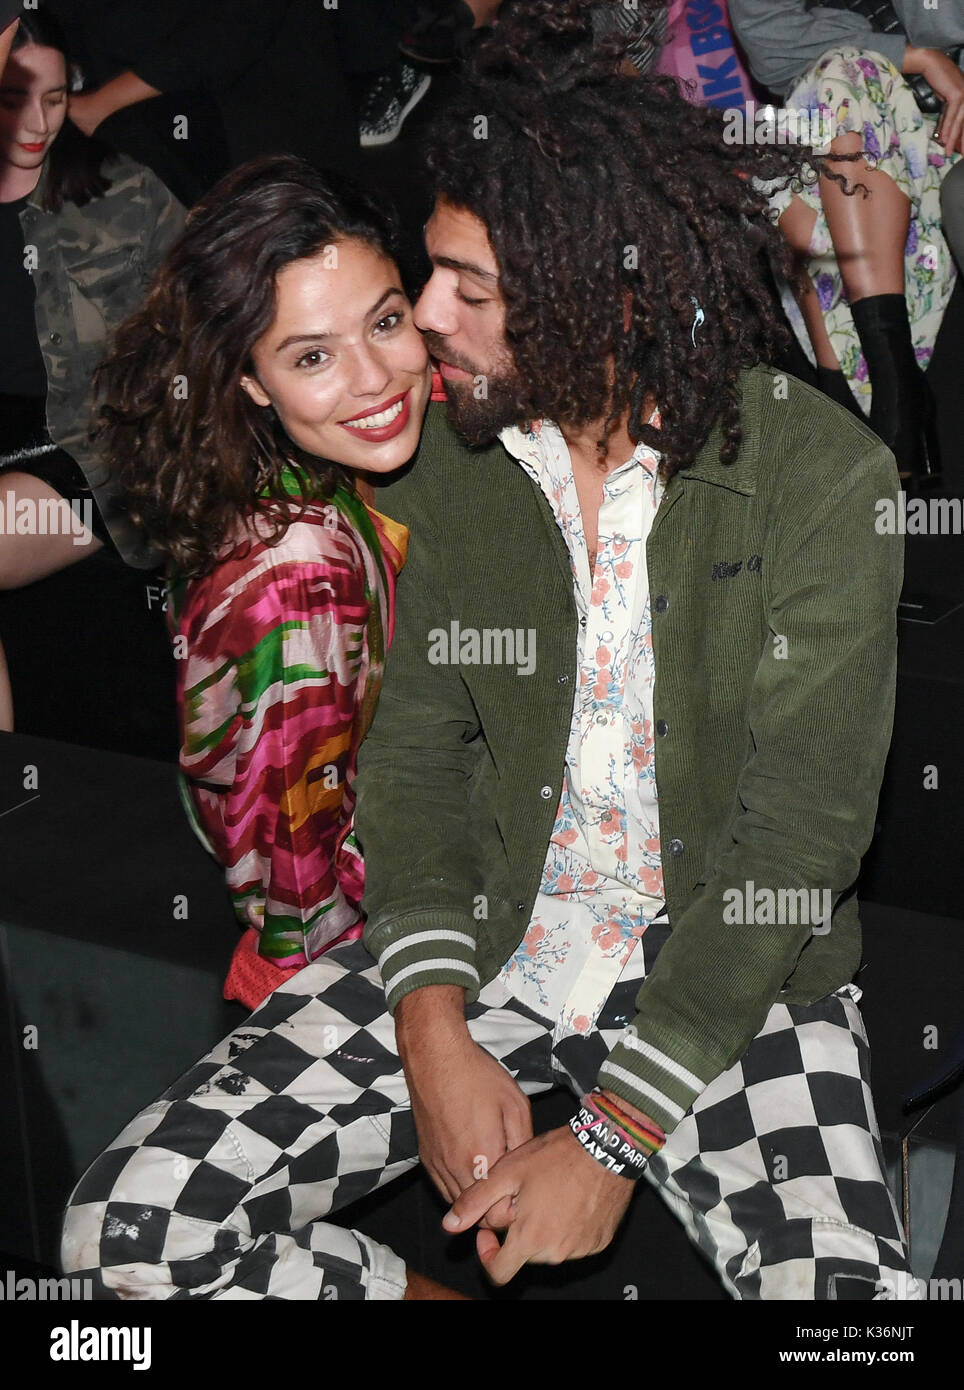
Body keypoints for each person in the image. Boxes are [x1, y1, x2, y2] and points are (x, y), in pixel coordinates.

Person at [60, 2, 920, 1301]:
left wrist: (614, 1135)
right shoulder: (464, 466)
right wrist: (431, 1019)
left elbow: (795, 851)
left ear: (602, 285)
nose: (428, 323)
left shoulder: (817, 477)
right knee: (124, 1238)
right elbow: (412, 753)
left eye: (468, 286)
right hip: (491, 934)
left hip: (729, 973)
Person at [94, 155, 431, 1013]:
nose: (374, 378)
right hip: (343, 973)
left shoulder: (290, 475)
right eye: (313, 355)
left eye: (385, 322)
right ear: (249, 380)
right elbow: (292, 850)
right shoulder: (297, 570)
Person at [0, 6, 184, 730]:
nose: (41, 121)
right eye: (17, 98)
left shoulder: (121, 192)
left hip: (90, 454)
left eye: (56, 96)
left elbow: (218, 317)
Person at [729, 0, 964, 484]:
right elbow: (770, 44)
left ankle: (849, 398)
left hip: (936, 129)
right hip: (840, 138)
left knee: (834, 89)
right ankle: (894, 379)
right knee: (825, 95)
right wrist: (914, 55)